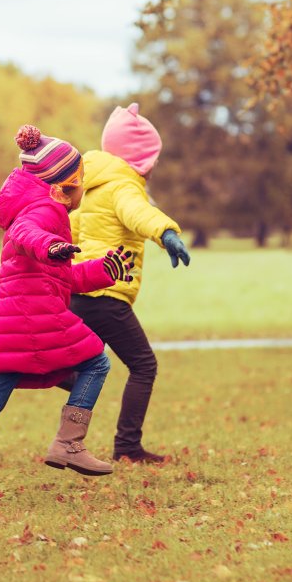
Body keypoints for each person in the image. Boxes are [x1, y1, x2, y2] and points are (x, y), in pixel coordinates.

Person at [0, 125, 134, 507]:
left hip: (11, 325)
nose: (83, 187)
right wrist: (51, 246)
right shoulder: (44, 211)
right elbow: (27, 236)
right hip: (36, 318)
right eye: (81, 180)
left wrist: (103, 270)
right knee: (96, 363)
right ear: (63, 186)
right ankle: (68, 443)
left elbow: (61, 278)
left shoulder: (34, 209)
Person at [68, 103, 190, 465]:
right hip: (107, 294)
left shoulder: (91, 186)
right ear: (142, 160)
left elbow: (71, 231)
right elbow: (138, 213)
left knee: (84, 366)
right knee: (143, 365)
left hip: (80, 291)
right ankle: (127, 446)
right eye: (153, 160)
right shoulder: (123, 185)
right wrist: (166, 233)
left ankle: (66, 435)